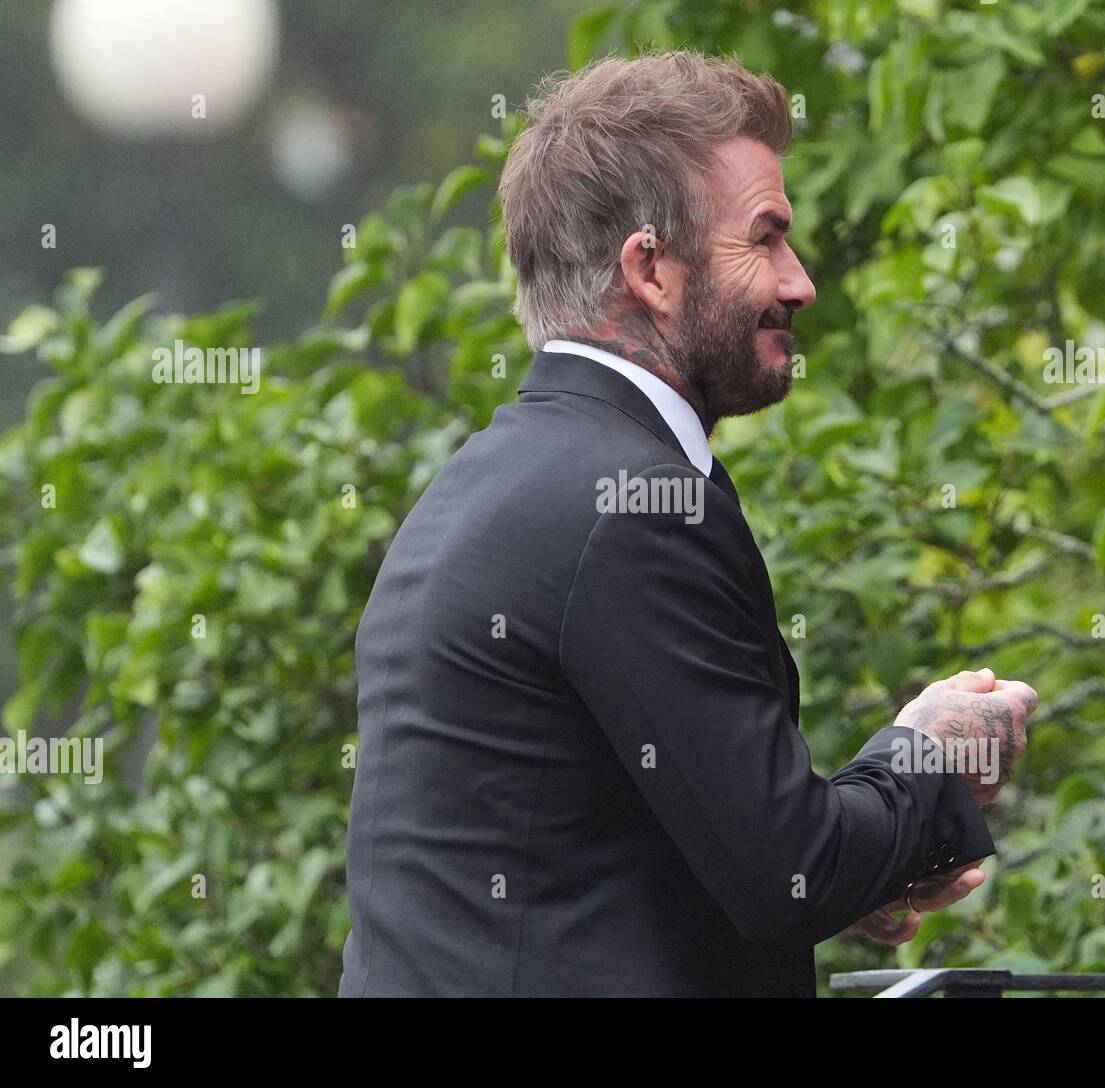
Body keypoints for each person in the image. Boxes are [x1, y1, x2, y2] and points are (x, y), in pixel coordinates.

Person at [338, 50, 1037, 997]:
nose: (800, 284)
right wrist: (932, 757)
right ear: (651, 270)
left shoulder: (484, 483)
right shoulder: (632, 507)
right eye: (766, 238)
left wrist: (872, 856)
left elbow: (657, 856)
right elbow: (789, 876)